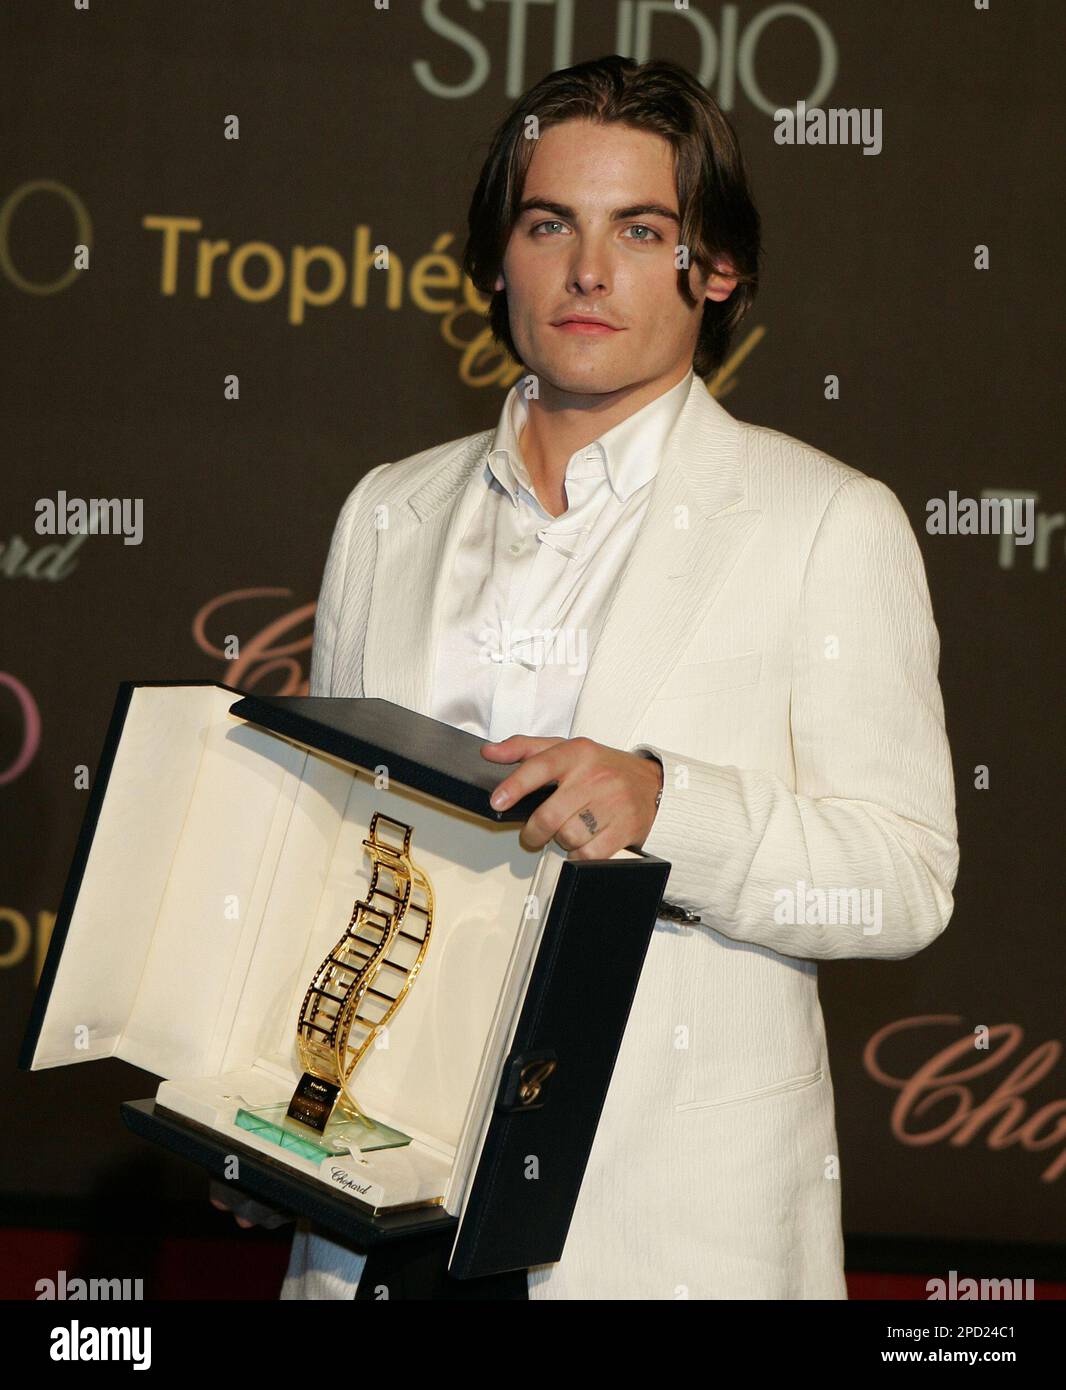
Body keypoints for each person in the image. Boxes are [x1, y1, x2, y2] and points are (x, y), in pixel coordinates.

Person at [216, 53, 959, 1300]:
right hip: (376, 1210)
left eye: (642, 228)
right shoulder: (389, 511)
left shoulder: (826, 520)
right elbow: (326, 846)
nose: (587, 269)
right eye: (548, 222)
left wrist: (670, 806)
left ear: (714, 270)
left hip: (659, 1230)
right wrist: (256, 1103)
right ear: (497, 255)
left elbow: (903, 879)